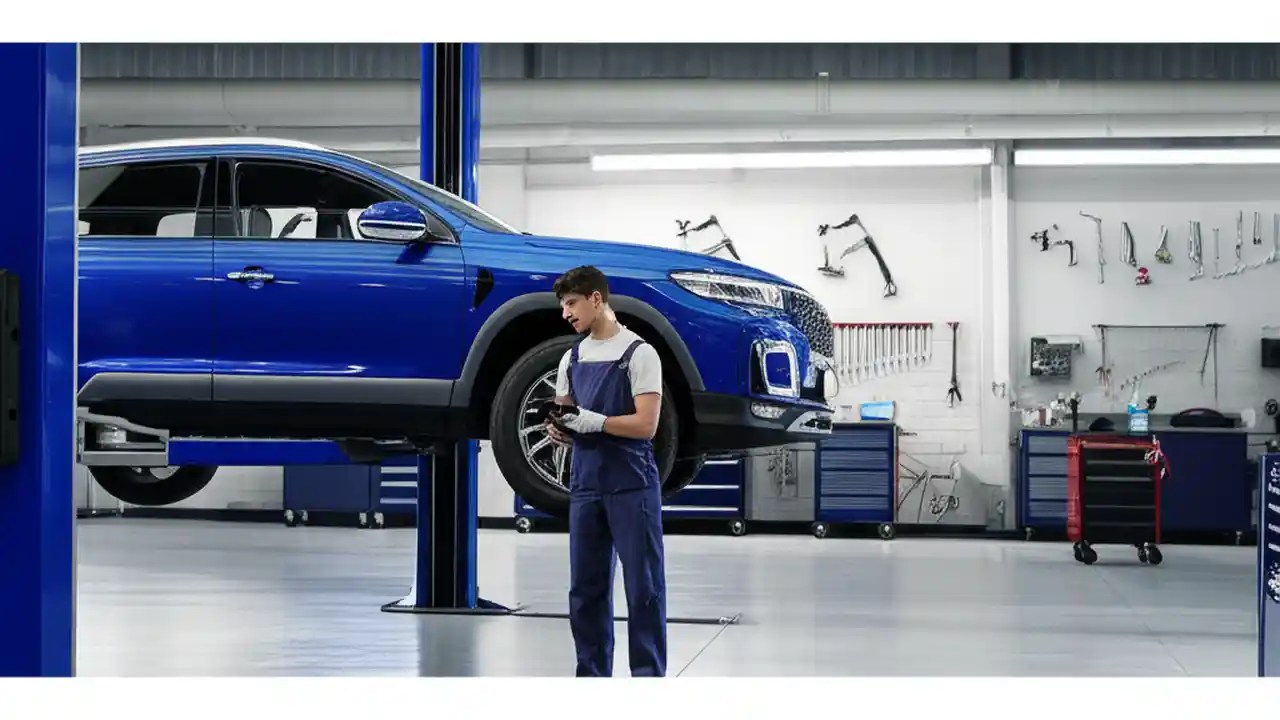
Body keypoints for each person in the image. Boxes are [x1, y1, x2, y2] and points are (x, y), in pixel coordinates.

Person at [546, 265, 668, 678]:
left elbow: (646, 425)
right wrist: (562, 429)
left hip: (632, 484)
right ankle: (592, 680)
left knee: (644, 588)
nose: (566, 313)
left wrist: (593, 422)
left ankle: (648, 680)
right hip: (586, 485)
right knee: (585, 591)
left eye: (572, 303)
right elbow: (567, 416)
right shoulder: (571, 358)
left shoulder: (640, 354)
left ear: (596, 299)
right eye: (563, 305)